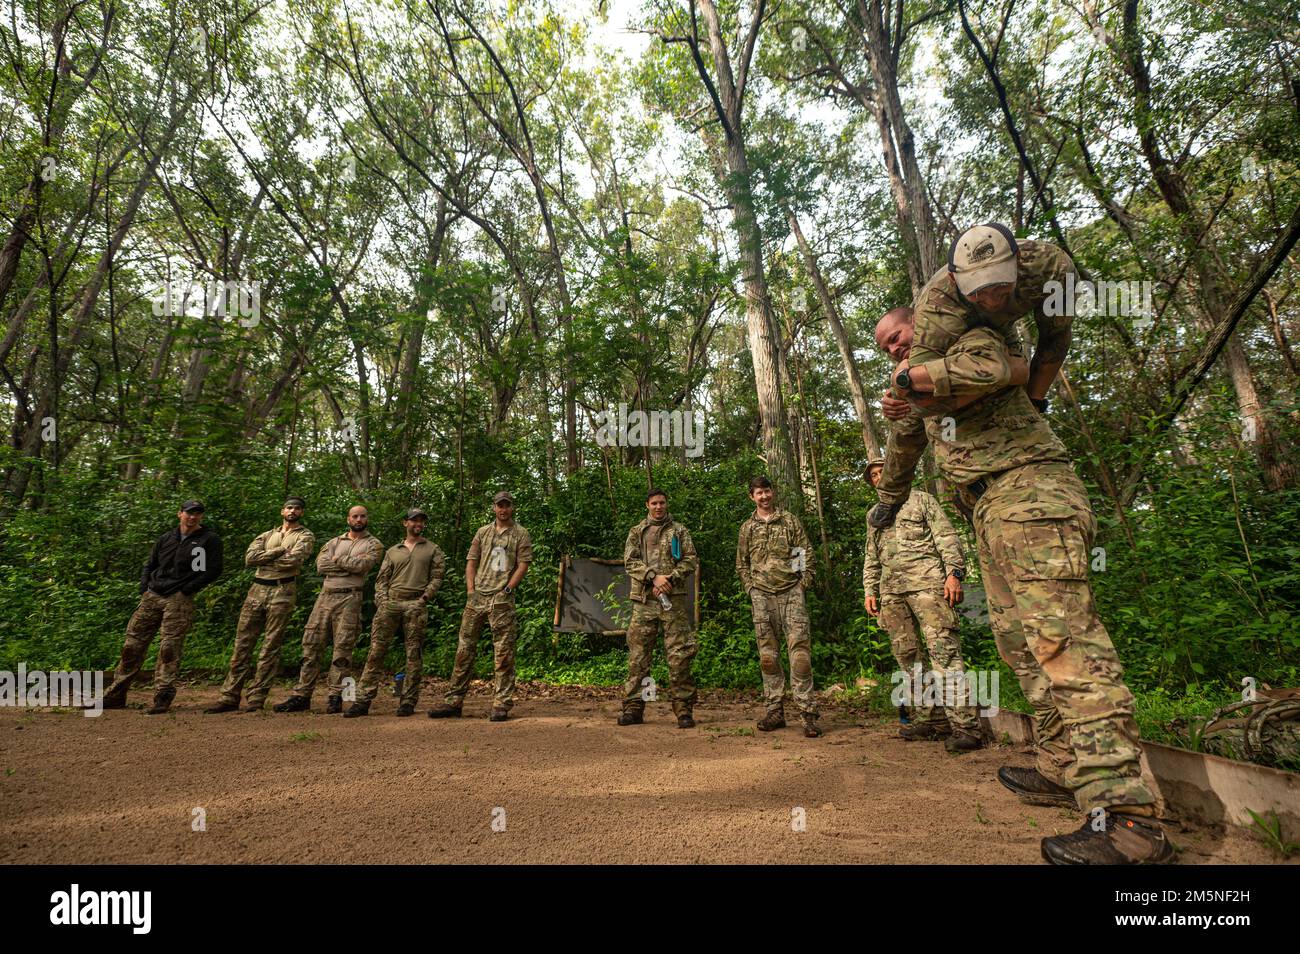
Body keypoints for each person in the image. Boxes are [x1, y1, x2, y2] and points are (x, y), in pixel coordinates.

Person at [867, 223, 1171, 864]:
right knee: (1022, 647)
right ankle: (1064, 765)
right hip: (989, 506)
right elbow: (908, 445)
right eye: (888, 352)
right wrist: (889, 500)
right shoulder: (924, 384)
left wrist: (913, 384)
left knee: (1066, 646)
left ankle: (1131, 818)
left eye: (899, 340)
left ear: (919, 322)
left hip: (1030, 493)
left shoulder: (965, 333)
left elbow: (1008, 364)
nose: (896, 353)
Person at [862, 457, 981, 752]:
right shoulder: (875, 514)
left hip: (928, 585)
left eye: (882, 471)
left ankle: (966, 728)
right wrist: (869, 589)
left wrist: (954, 573)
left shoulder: (921, 500)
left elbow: (947, 537)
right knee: (907, 657)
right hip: (892, 593)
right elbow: (871, 555)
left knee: (944, 653)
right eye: (873, 475)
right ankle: (931, 720)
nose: (878, 477)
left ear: (894, 472)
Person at [101, 500, 223, 714]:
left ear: (201, 517)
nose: (192, 517)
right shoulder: (167, 538)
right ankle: (115, 695)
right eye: (189, 513)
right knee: (131, 646)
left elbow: (211, 569)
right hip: (153, 595)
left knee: (169, 648)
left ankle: (162, 697)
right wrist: (144, 588)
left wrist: (188, 589)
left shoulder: (207, 540)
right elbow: (150, 563)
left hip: (178, 599)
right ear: (180, 514)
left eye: (197, 514)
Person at [428, 492, 532, 721]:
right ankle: (453, 701)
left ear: (512, 508)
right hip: (477, 598)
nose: (503, 509)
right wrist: (470, 591)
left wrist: (508, 589)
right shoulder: (483, 532)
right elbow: (471, 561)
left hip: (501, 599)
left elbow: (523, 564)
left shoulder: (520, 533)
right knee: (464, 651)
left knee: (503, 653)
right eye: (499, 506)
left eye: (507, 505)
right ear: (494, 508)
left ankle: (500, 704)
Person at [207, 497, 315, 714]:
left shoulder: (305, 535)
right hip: (256, 590)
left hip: (283, 590)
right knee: (242, 644)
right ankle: (229, 696)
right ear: (282, 510)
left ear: (301, 513)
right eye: (289, 507)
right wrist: (277, 552)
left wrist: (265, 558)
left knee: (270, 645)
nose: (292, 511)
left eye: (297, 508)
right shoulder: (267, 534)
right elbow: (249, 558)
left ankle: (257, 697)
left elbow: (293, 561)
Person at [274, 505, 384, 714]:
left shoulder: (373, 544)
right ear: (348, 518)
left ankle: (336, 696)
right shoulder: (334, 541)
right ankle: (301, 695)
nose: (359, 519)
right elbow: (321, 566)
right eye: (355, 516)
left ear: (367, 518)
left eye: (362, 516)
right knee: (311, 645)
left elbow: (364, 566)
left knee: (343, 649)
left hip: (350, 597)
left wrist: (337, 560)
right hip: (325, 597)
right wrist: (346, 563)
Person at [735, 476, 821, 737]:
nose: (764, 496)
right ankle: (775, 710)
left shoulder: (789, 521)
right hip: (762, 596)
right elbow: (742, 564)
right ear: (752, 496)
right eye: (759, 493)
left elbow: (803, 555)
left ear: (773, 493)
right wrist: (751, 590)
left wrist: (800, 585)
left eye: (767, 491)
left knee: (800, 657)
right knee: (768, 657)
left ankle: (807, 713)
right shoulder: (747, 528)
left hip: (790, 594)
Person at [346, 508, 446, 717]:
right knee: (376, 652)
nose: (417, 524)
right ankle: (362, 700)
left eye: (421, 521)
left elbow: (437, 577)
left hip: (415, 604)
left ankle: (408, 701)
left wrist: (424, 598)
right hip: (391, 603)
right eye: (413, 520)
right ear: (405, 523)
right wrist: (382, 601)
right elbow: (382, 579)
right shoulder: (393, 550)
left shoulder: (432, 549)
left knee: (413, 654)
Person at [617, 489, 699, 729]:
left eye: (662, 502)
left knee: (679, 656)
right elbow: (630, 561)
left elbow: (691, 559)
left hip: (673, 602)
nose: (658, 507)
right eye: (654, 503)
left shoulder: (679, 530)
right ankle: (635, 707)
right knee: (639, 659)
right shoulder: (637, 531)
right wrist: (653, 577)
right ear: (647, 505)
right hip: (644, 602)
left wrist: (670, 579)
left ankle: (683, 709)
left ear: (667, 504)